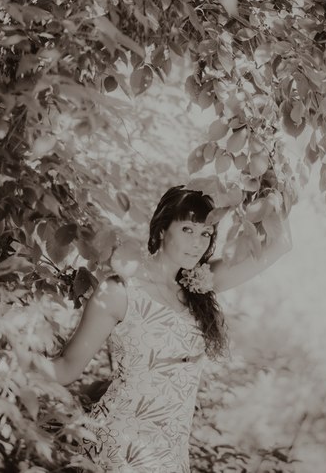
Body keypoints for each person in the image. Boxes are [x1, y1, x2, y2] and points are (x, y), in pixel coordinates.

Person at [48, 185, 291, 473]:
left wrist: (270, 185)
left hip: (170, 453)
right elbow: (66, 368)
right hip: (119, 445)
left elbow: (281, 244)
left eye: (206, 233)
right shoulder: (120, 291)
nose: (197, 243)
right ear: (162, 229)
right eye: (188, 229)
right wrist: (11, 359)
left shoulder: (201, 284)